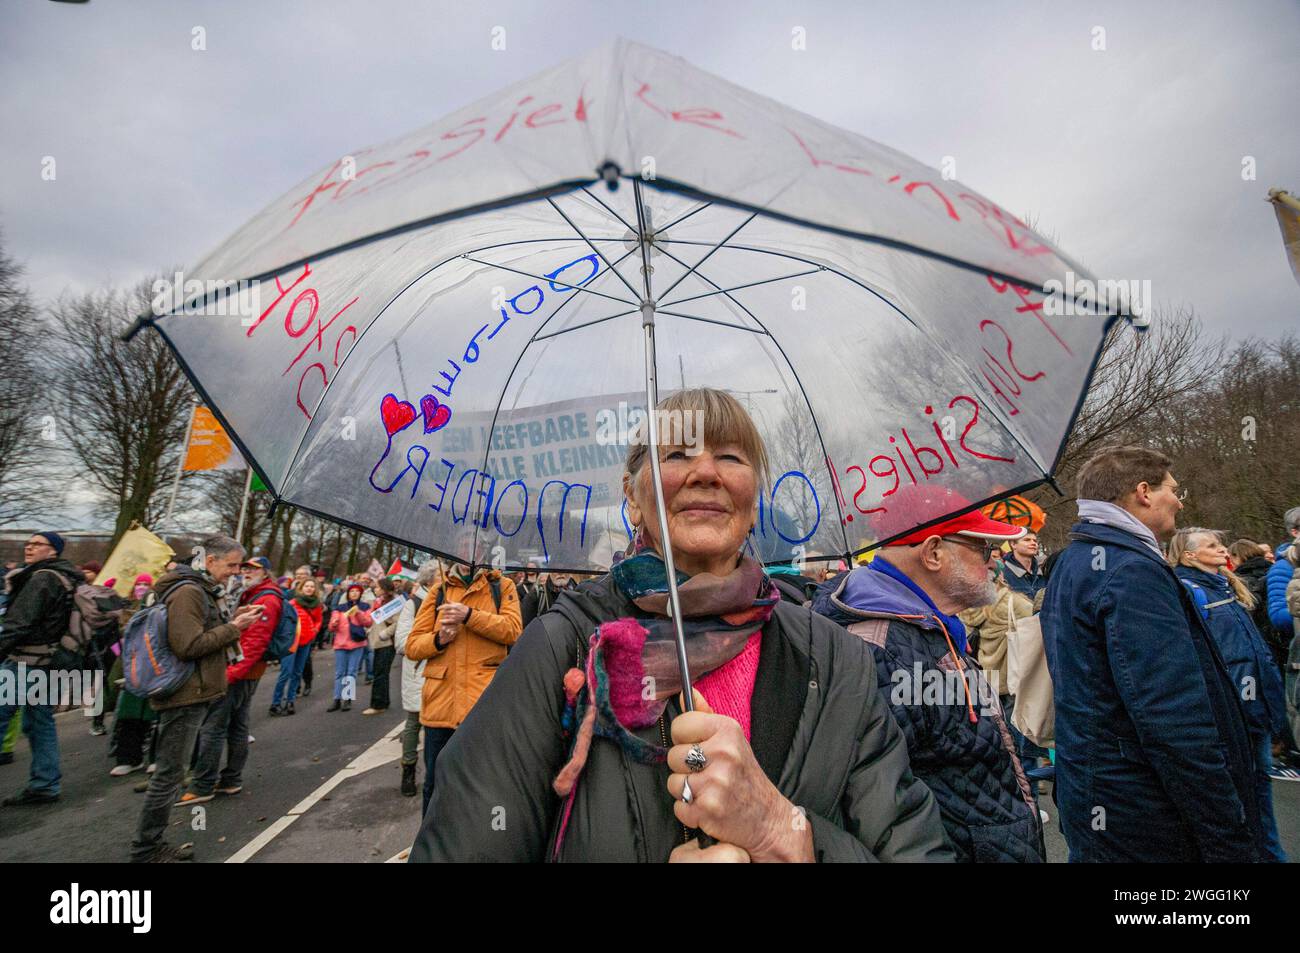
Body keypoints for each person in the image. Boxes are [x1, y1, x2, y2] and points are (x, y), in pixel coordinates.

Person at [413, 388, 951, 862]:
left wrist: (790, 839)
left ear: (753, 491)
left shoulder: (835, 660)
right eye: (675, 454)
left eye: (731, 456)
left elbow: (915, 847)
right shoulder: (562, 647)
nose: (706, 472)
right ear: (632, 494)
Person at [1040, 447, 1260, 862]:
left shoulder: (1076, 559)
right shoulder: (1131, 570)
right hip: (1143, 807)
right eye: (1173, 490)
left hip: (1100, 792)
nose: (1179, 500)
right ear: (1143, 491)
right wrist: (1227, 835)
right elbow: (1172, 716)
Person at [812, 496, 1044, 863]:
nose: (992, 561)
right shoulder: (879, 647)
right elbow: (874, 806)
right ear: (933, 552)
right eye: (982, 549)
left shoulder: (926, 624)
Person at [130, 536, 262, 862]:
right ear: (210, 560)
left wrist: (233, 620)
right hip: (184, 693)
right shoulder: (190, 592)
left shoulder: (200, 590)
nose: (234, 572)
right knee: (169, 775)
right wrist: (235, 627)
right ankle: (147, 849)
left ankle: (150, 845)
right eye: (230, 565)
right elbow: (188, 646)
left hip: (192, 690)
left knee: (171, 771)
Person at [1170, 527, 1288, 861]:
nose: (1222, 549)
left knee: (1259, 793)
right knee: (1245, 798)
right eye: (1211, 545)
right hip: (1232, 714)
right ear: (1188, 556)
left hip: (1255, 711)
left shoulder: (1224, 586)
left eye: (1220, 544)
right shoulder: (1190, 592)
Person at [406, 555, 522, 816]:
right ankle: (432, 848)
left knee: (483, 784)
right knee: (435, 785)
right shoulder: (439, 590)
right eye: (464, 543)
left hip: (483, 705)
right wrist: (439, 640)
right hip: (441, 706)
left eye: (476, 545)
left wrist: (469, 615)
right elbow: (412, 646)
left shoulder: (501, 587)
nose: (470, 551)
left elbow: (513, 630)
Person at [180, 555, 280, 804]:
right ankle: (231, 779)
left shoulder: (266, 599)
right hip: (242, 671)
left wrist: (228, 675)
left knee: (214, 727)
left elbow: (254, 643)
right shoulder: (252, 595)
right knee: (237, 725)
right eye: (243, 567)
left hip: (240, 672)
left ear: (265, 573)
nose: (245, 571)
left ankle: (203, 784)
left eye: (252, 569)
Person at [0, 532, 83, 806]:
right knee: (39, 723)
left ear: (53, 551)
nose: (30, 547)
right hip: (51, 663)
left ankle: (45, 784)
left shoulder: (43, 578)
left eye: (38, 544)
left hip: (25, 663)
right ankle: (45, 784)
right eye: (29, 542)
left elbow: (19, 623)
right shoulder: (69, 577)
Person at [394, 562, 439, 797]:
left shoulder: (446, 602)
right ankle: (408, 770)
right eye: (441, 577)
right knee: (414, 722)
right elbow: (402, 643)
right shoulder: (413, 605)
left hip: (442, 675)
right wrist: (435, 640)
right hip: (418, 673)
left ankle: (436, 772)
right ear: (429, 580)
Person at [271, 577, 322, 714]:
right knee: (285, 672)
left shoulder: (317, 605)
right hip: (291, 642)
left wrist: (314, 630)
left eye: (312, 586)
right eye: (307, 586)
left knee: (297, 673)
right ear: (301, 588)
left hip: (306, 642)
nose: (309, 588)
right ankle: (275, 703)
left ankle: (290, 701)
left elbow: (318, 621)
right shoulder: (292, 603)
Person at [327, 583, 370, 711]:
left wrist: (359, 613)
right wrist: (334, 624)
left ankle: (348, 698)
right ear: (348, 594)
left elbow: (368, 623)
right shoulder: (340, 608)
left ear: (361, 594)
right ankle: (336, 699)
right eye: (352, 591)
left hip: (357, 644)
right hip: (341, 644)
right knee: (340, 673)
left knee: (351, 672)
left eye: (357, 591)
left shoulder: (364, 607)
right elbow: (331, 627)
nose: (354, 593)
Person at [363, 577, 400, 715]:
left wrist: (385, 633)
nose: (375, 589)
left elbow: (398, 622)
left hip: (386, 642)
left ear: (384, 589)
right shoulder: (380, 602)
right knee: (380, 672)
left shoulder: (394, 603)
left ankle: (378, 704)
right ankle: (383, 702)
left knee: (380, 673)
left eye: (378, 587)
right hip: (378, 641)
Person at [1000, 530, 1047, 599]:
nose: (1033, 543)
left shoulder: (1044, 573)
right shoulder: (1002, 574)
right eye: (1027, 540)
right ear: (1013, 544)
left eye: (1035, 541)